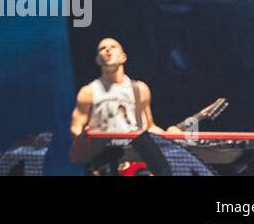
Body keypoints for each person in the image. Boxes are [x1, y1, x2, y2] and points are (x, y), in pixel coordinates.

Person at [69, 37, 182, 173]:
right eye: (102, 48)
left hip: (137, 163)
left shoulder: (140, 89)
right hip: (106, 162)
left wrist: (168, 137)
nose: (108, 50)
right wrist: (85, 140)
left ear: (123, 57)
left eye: (113, 47)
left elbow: (148, 127)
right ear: (98, 60)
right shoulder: (89, 92)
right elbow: (76, 127)